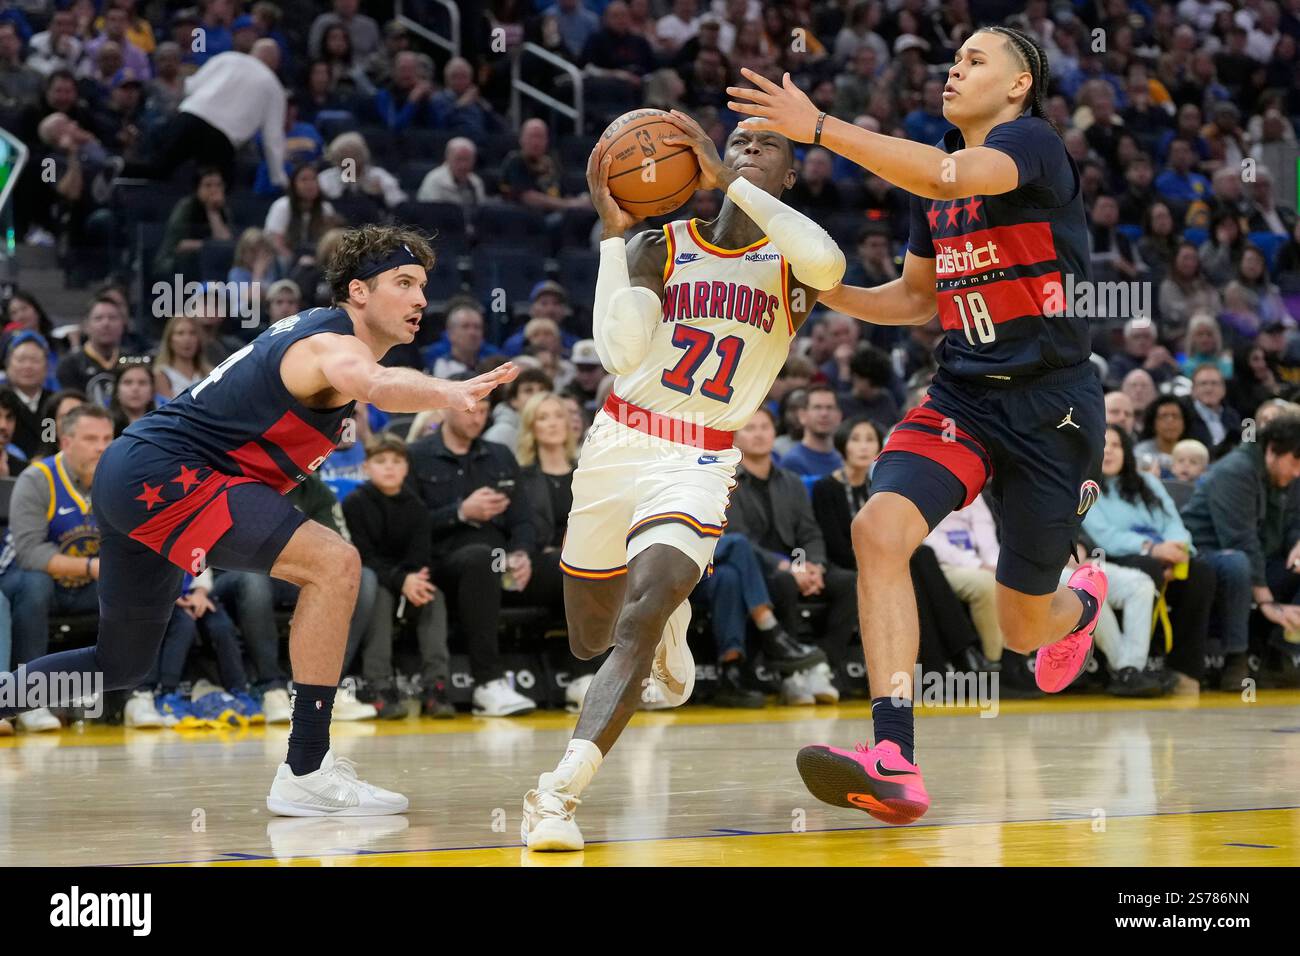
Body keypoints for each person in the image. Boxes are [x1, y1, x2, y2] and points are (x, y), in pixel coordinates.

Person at [0, 225, 518, 814]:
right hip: (168, 474)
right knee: (335, 563)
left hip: (136, 475)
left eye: (423, 285)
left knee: (119, 664)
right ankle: (306, 766)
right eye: (404, 282)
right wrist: (449, 394)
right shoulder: (332, 343)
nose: (422, 299)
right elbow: (376, 385)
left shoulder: (317, 336)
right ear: (358, 291)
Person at [728, 26, 1109, 823]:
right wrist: (817, 292)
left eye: (975, 60)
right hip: (964, 396)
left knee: (1021, 625)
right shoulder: (930, 185)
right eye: (953, 57)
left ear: (1017, 85)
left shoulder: (1030, 144)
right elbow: (914, 300)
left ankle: (1082, 602)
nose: (954, 69)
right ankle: (892, 755)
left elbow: (944, 173)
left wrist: (821, 129)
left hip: (1052, 407)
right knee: (877, 530)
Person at [520, 111, 845, 851]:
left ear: (789, 178)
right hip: (620, 441)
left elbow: (829, 264)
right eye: (738, 142)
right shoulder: (660, 244)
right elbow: (620, 350)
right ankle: (668, 622)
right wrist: (611, 234)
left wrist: (727, 177)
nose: (750, 150)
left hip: (700, 457)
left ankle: (558, 795)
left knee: (639, 613)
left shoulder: (792, 260)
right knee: (588, 636)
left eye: (768, 148)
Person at [1083, 425, 1212, 695]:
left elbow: (1173, 522)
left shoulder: (1148, 483)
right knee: (1149, 569)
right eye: (1103, 444)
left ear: (1127, 451)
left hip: (1165, 551)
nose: (1109, 450)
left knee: (1202, 573)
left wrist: (1178, 549)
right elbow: (1104, 535)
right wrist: (1152, 549)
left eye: (1117, 445)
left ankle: (1184, 668)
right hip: (1116, 554)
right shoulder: (1085, 487)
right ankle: (1140, 665)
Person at [1181, 414, 1300, 690]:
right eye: (1294, 462)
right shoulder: (1235, 471)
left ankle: (1281, 653)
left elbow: (1293, 519)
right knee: (1238, 562)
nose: (1297, 472)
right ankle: (1236, 659)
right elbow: (1240, 539)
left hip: (1254, 555)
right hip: (1206, 554)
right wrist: (1266, 600)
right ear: (1272, 450)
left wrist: (1297, 541)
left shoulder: (1283, 474)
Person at [342, 434, 452, 719]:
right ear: (366, 467)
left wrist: (410, 580)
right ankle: (378, 684)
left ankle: (435, 685)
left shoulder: (416, 507)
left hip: (406, 580)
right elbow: (362, 556)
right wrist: (399, 580)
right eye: (381, 461)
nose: (389, 467)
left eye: (396, 461)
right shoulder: (355, 503)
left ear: (406, 467)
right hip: (372, 580)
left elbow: (420, 555)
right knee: (379, 593)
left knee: (433, 595)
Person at [778, 383, 843, 478]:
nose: (824, 413)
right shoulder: (792, 462)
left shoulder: (843, 460)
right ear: (802, 416)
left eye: (829, 407)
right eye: (817, 407)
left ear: (839, 416)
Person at [152, 315, 212, 402]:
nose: (187, 339)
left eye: (192, 333)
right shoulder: (161, 375)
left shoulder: (209, 373)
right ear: (170, 340)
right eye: (180, 333)